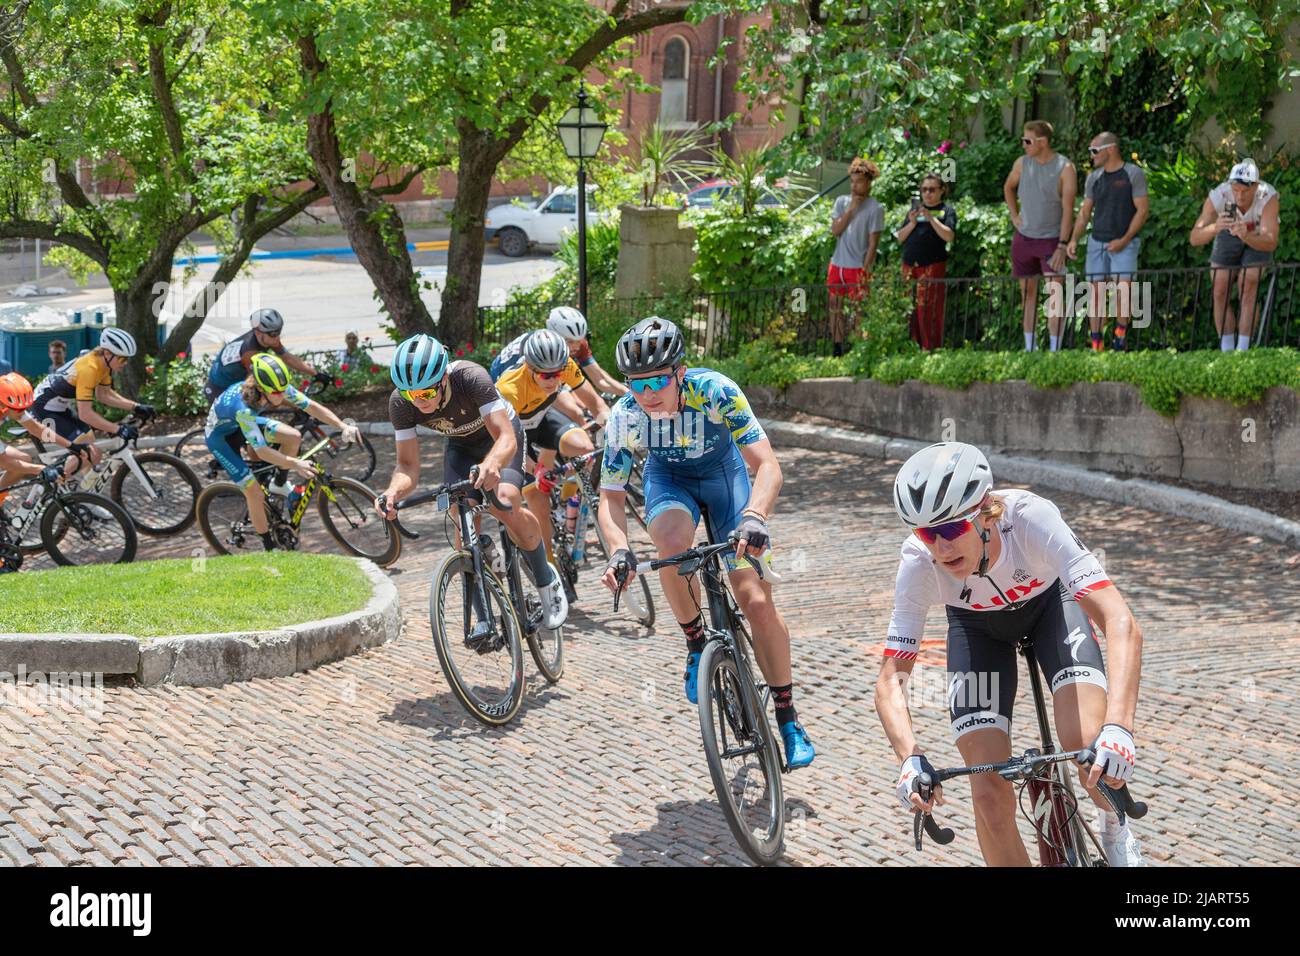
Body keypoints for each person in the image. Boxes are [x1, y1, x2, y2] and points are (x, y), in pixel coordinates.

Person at [876, 442, 1145, 866]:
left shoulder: (1030, 518)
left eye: (950, 530)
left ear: (985, 512)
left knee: (1086, 744)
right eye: (927, 534)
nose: (941, 548)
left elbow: (1121, 621)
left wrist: (1120, 728)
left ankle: (1115, 827)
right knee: (987, 793)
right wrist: (909, 757)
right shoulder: (918, 563)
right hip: (978, 631)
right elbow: (892, 676)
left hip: (1053, 611)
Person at [597, 317, 815, 769]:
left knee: (754, 600)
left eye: (658, 380)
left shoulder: (716, 391)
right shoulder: (625, 416)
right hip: (669, 480)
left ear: (681, 371)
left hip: (725, 478)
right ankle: (697, 644)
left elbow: (768, 466)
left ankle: (788, 717)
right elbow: (611, 496)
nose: (648, 393)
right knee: (673, 546)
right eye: (636, 384)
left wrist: (754, 517)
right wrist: (618, 548)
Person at [374, 334, 568, 630]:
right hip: (461, 447)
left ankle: (546, 580)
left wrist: (491, 464)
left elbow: (504, 437)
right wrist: (392, 492)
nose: (418, 401)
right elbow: (407, 466)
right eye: (410, 394)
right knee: (461, 521)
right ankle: (484, 618)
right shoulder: (402, 402)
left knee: (505, 502)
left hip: (500, 438)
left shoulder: (470, 378)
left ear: (442, 380)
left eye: (425, 394)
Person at [204, 353, 360, 551]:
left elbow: (311, 406)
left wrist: (341, 425)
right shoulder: (243, 407)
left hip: (241, 425)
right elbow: (261, 450)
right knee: (253, 491)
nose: (281, 395)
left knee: (293, 436)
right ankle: (269, 547)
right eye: (276, 393)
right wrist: (295, 463)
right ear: (260, 388)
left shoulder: (276, 387)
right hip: (222, 439)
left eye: (283, 390)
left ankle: (278, 485)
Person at [493, 329, 609, 572]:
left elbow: (595, 403)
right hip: (516, 434)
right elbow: (507, 440)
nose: (554, 380)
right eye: (546, 375)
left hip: (543, 418)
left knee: (585, 449)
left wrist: (610, 424)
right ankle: (549, 569)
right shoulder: (509, 387)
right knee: (538, 501)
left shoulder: (564, 365)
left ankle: (567, 503)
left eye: (558, 374)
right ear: (530, 369)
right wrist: (538, 469)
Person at [1065, 132, 1149, 351]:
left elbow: (1142, 211)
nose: (1091, 156)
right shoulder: (1094, 177)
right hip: (1096, 242)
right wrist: (1073, 239)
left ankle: (1120, 339)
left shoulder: (1133, 173)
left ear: (1110, 149)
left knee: (1123, 292)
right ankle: (1097, 345)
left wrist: (1125, 240)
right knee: (1096, 293)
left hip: (1125, 244)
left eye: (1094, 151)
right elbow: (1085, 213)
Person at [1189, 159, 1280, 351]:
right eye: (1236, 190)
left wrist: (1246, 235)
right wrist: (1215, 227)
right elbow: (1195, 237)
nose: (1239, 196)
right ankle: (1226, 349)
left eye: (1245, 191)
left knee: (1249, 283)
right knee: (1220, 288)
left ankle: (1243, 350)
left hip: (1256, 235)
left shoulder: (1267, 196)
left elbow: (1270, 241)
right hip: (1227, 233)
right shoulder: (1220, 194)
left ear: (1256, 186)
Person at [28, 327, 151, 466]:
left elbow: (104, 395)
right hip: (42, 408)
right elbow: (85, 414)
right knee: (88, 453)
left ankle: (82, 487)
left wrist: (136, 407)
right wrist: (118, 429)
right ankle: (55, 480)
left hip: (58, 407)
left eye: (127, 359)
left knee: (93, 451)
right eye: (122, 358)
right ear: (107, 353)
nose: (125, 363)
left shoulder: (103, 364)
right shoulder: (89, 369)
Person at [1004, 121, 1077, 352]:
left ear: (1042, 142)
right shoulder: (1022, 163)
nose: (1023, 145)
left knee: (1055, 295)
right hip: (1024, 238)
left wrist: (1062, 246)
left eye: (1027, 141)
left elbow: (1068, 210)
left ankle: (1055, 352)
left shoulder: (1065, 167)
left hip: (1051, 240)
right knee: (1027, 293)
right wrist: (1014, 215)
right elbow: (1008, 187)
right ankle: (1030, 349)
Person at [828, 158, 884, 357]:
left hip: (857, 267)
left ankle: (859, 348)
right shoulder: (842, 202)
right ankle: (837, 349)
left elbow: (873, 244)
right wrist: (851, 209)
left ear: (868, 182)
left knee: (859, 310)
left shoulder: (875, 208)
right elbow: (836, 231)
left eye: (859, 181)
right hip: (837, 264)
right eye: (852, 181)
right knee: (835, 306)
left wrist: (865, 270)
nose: (854, 185)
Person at [0, 372, 83, 503]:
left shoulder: (12, 407)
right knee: (14, 464)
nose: (22, 413)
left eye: (25, 408)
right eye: (18, 410)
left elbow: (37, 428)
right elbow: (5, 462)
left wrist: (71, 445)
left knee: (24, 459)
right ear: (3, 406)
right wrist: (41, 469)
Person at [895, 173, 957, 351]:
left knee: (929, 311)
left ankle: (930, 349)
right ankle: (911, 348)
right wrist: (913, 222)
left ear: (942, 190)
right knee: (908, 309)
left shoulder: (947, 210)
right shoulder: (914, 211)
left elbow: (949, 236)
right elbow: (900, 237)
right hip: (909, 266)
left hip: (932, 265)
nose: (927, 193)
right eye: (924, 189)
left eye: (932, 189)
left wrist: (931, 218)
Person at [204, 309, 318, 403]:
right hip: (220, 390)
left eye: (278, 332)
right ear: (258, 332)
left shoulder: (268, 339)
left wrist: (315, 373)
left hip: (237, 381)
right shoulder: (250, 353)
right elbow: (261, 386)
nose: (277, 338)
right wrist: (297, 403)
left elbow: (287, 357)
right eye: (273, 334)